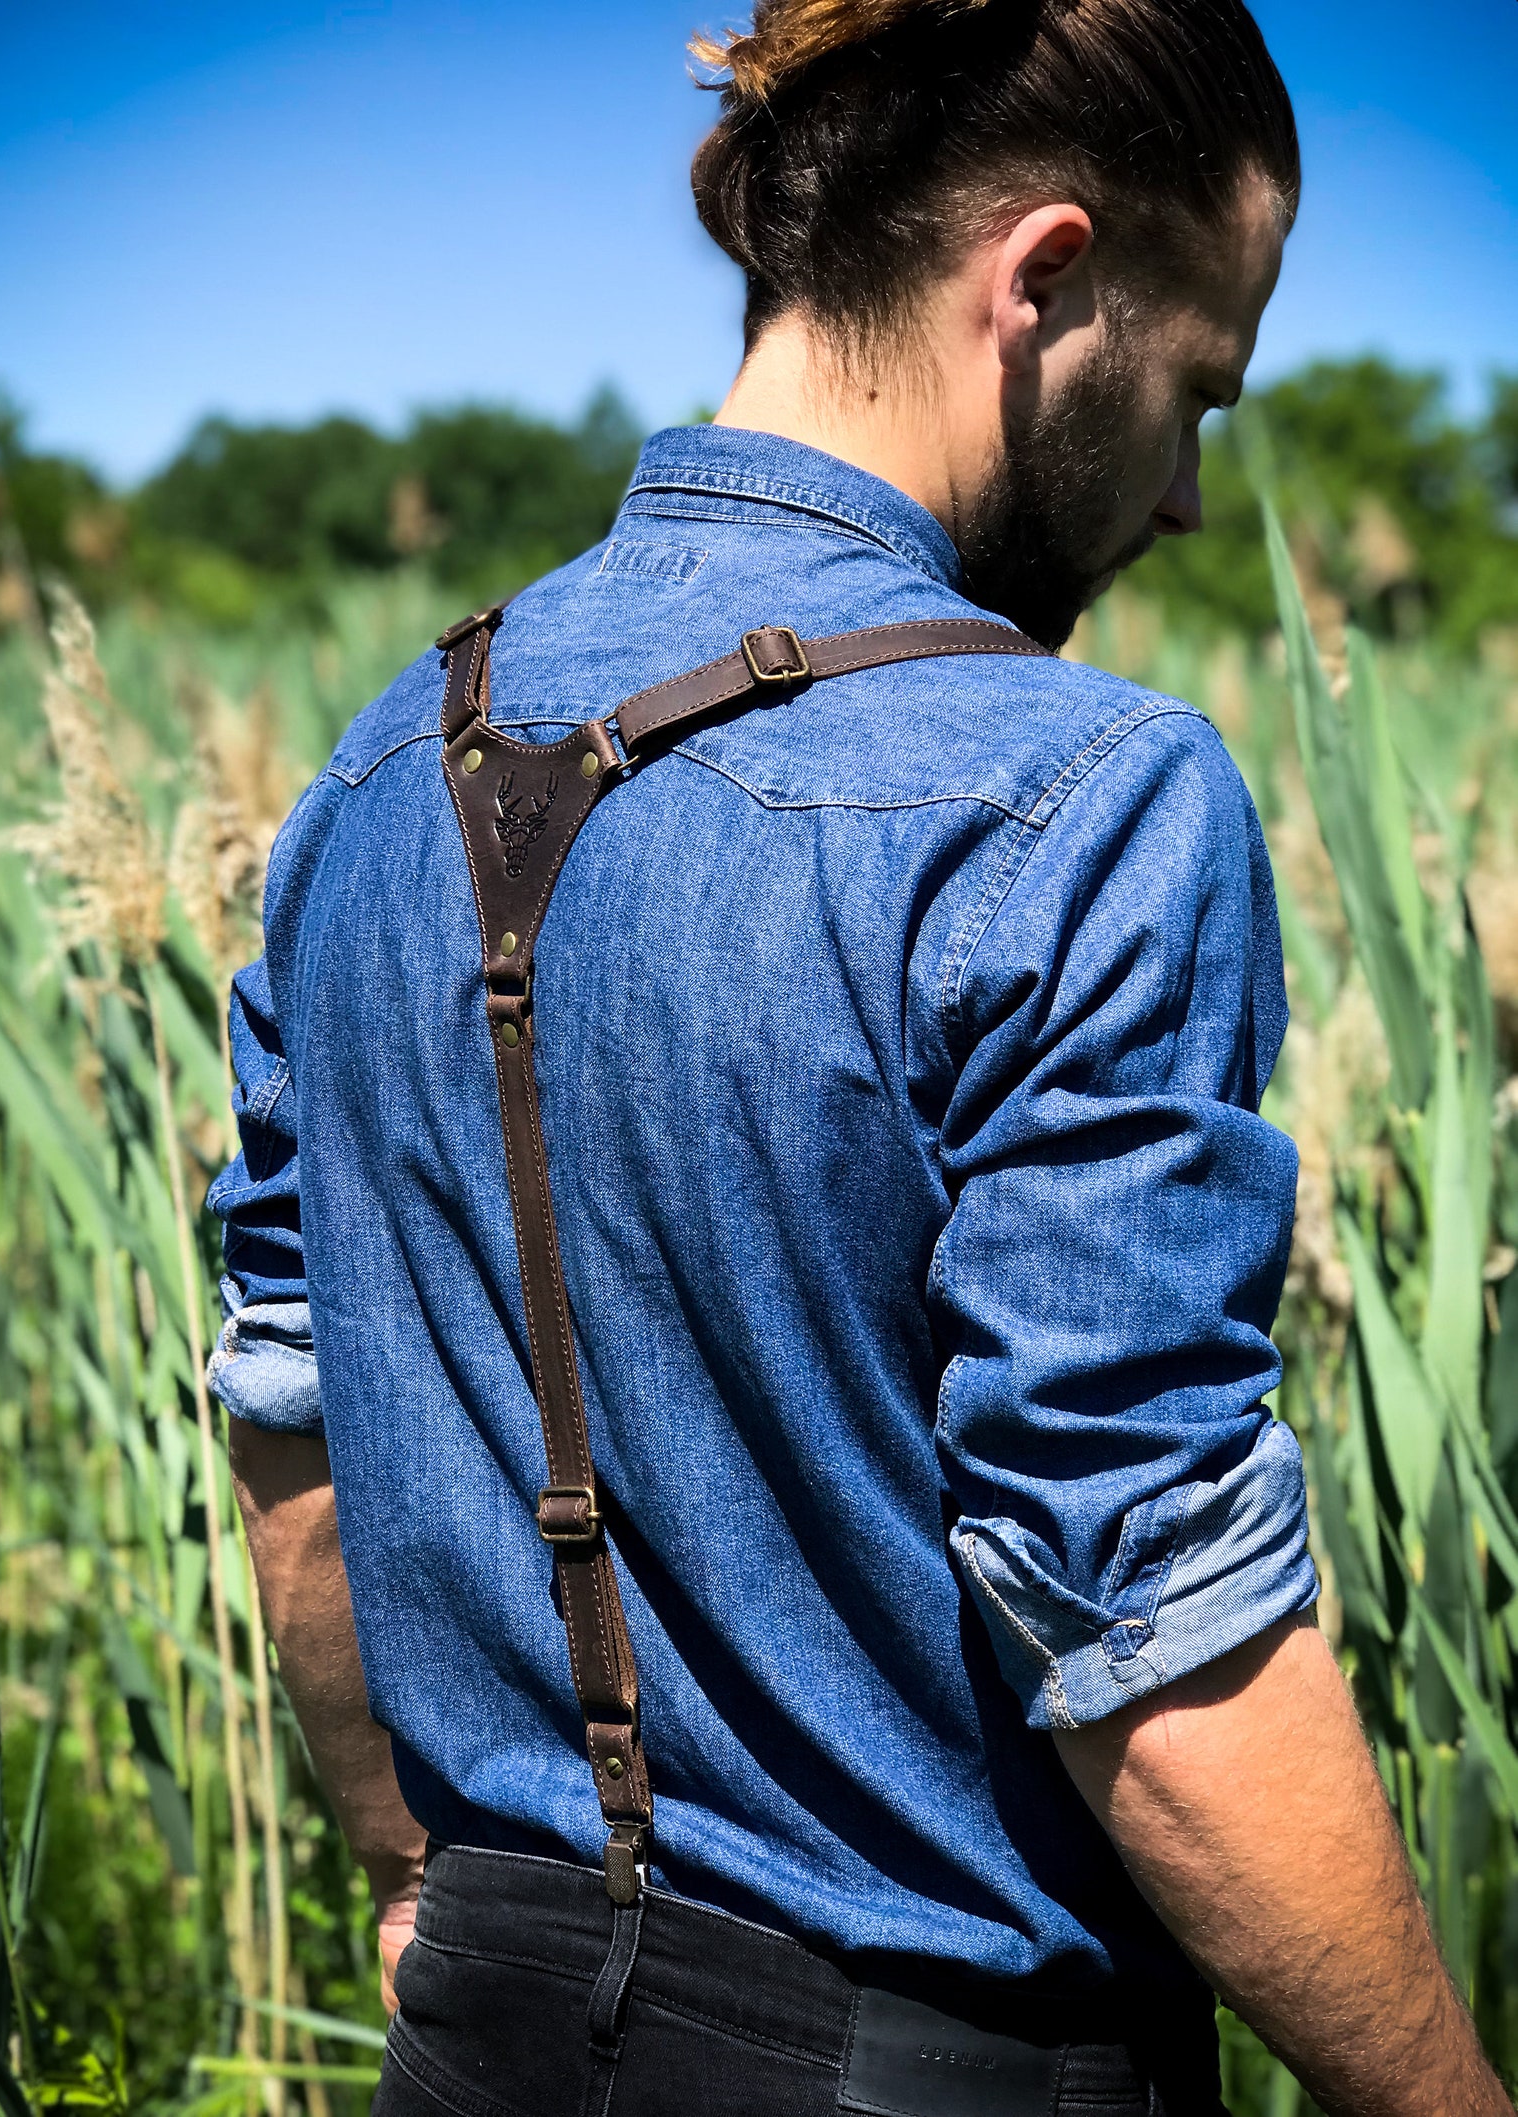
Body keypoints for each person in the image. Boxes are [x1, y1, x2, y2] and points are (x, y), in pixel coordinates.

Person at [206, 3, 1512, 2113]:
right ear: (1046, 280)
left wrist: (406, 1865)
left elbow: (291, 1409)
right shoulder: (1079, 790)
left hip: (484, 2039)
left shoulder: (373, 774)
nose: (1185, 500)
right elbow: (1140, 1604)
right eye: (1193, 396)